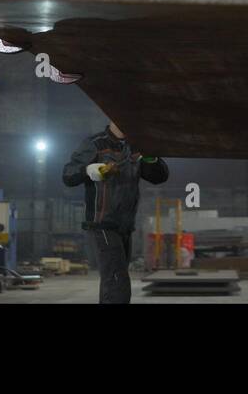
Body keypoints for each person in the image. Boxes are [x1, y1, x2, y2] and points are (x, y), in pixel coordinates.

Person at [63, 121, 169, 304]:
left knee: (113, 279)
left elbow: (158, 177)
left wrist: (152, 159)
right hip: (102, 223)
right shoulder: (95, 144)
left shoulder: (136, 147)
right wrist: (87, 170)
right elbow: (68, 175)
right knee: (117, 279)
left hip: (125, 225)